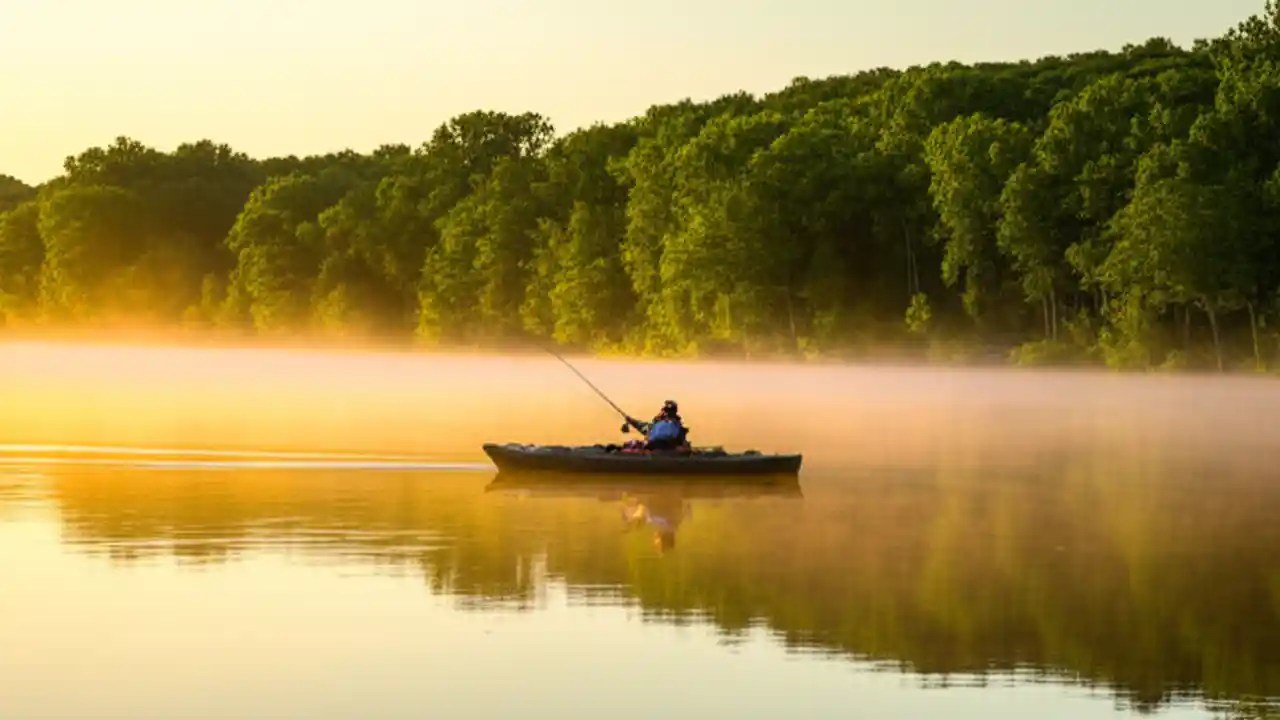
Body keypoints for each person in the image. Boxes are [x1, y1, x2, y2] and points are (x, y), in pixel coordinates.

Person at [624, 400, 689, 451]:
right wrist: (630, 420)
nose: (666, 414)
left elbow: (641, 426)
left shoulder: (678, 427)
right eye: (666, 411)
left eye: (669, 412)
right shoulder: (655, 425)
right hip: (655, 448)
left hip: (665, 450)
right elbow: (641, 425)